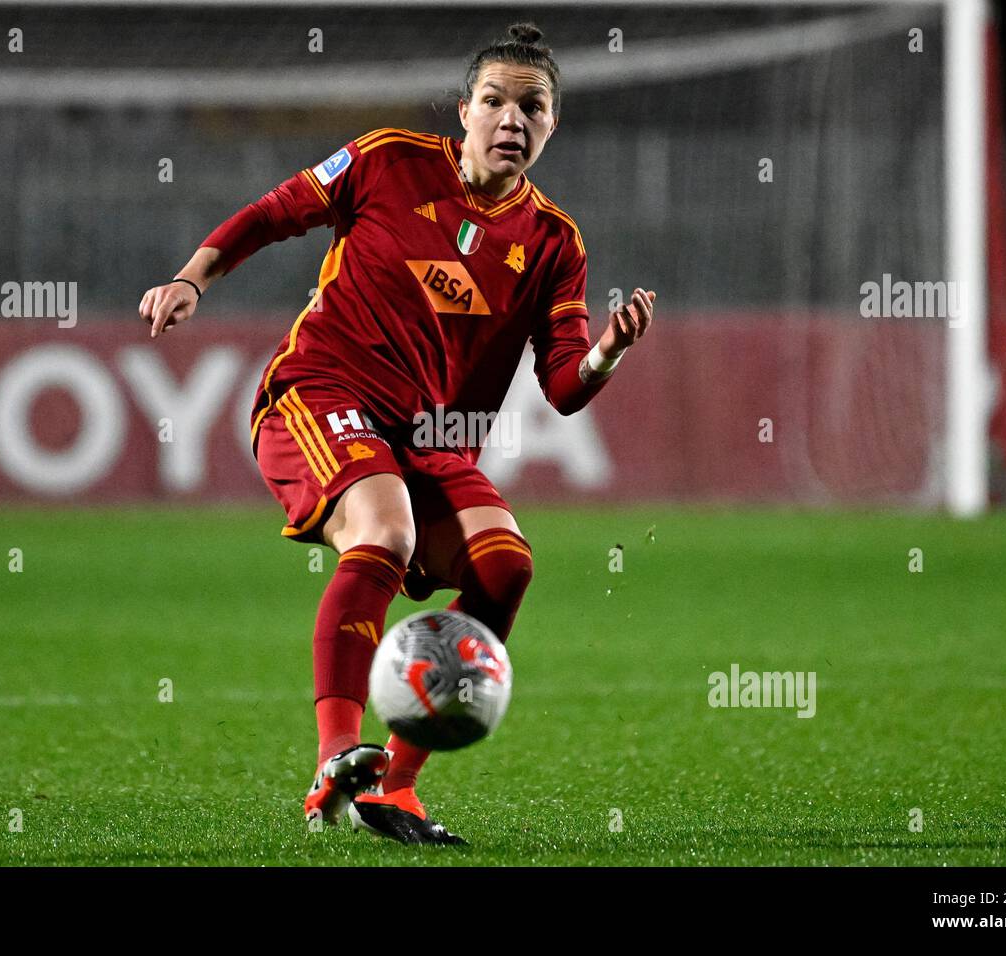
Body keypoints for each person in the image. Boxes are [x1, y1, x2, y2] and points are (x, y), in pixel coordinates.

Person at [138, 22, 655, 845]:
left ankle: (396, 786)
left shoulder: (555, 243)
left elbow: (562, 389)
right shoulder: (388, 160)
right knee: (382, 530)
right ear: (466, 111)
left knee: (506, 565)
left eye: (533, 107)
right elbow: (276, 213)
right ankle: (335, 759)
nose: (511, 119)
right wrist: (192, 276)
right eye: (495, 101)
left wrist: (605, 353)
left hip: (432, 437)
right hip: (320, 390)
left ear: (553, 126)